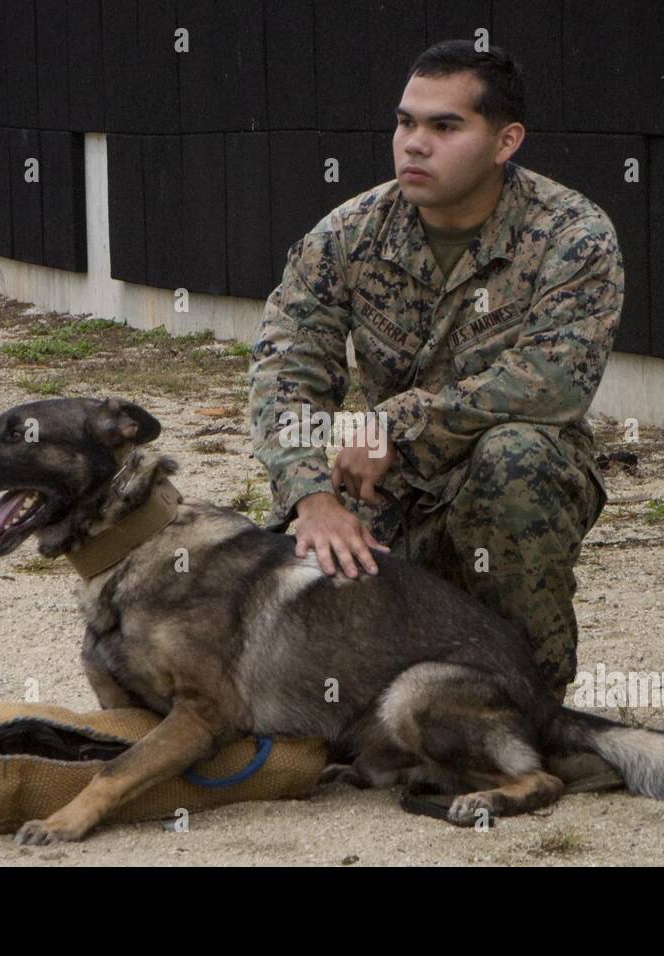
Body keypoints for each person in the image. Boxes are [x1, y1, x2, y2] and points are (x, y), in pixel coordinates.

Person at [248, 40, 623, 702]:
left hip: (505, 482)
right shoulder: (348, 234)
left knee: (518, 458)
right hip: (385, 491)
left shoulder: (573, 236)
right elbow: (287, 372)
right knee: (299, 664)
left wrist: (396, 421)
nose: (414, 144)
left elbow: (553, 381)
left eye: (444, 126)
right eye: (405, 122)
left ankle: (530, 705)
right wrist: (314, 499)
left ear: (505, 141)